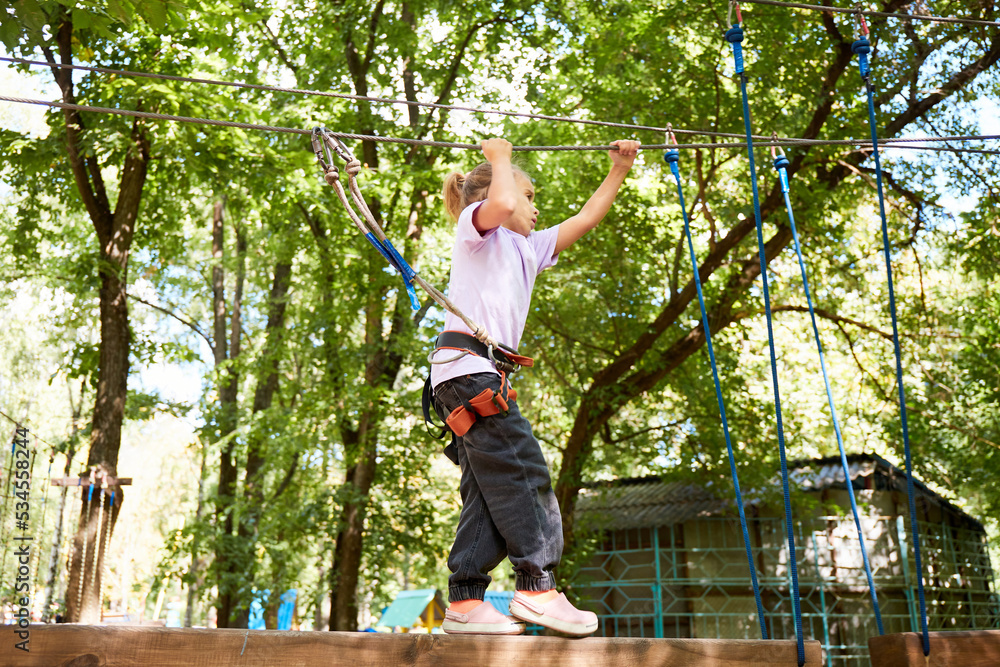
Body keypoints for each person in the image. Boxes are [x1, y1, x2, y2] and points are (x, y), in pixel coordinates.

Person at [428, 137, 640, 636]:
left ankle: (464, 602)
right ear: (492, 196)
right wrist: (500, 159)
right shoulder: (476, 231)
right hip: (469, 371)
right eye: (528, 194)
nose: (534, 204)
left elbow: (585, 218)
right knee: (527, 476)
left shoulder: (527, 246)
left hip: (473, 375)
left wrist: (618, 170)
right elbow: (499, 203)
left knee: (485, 491)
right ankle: (537, 589)